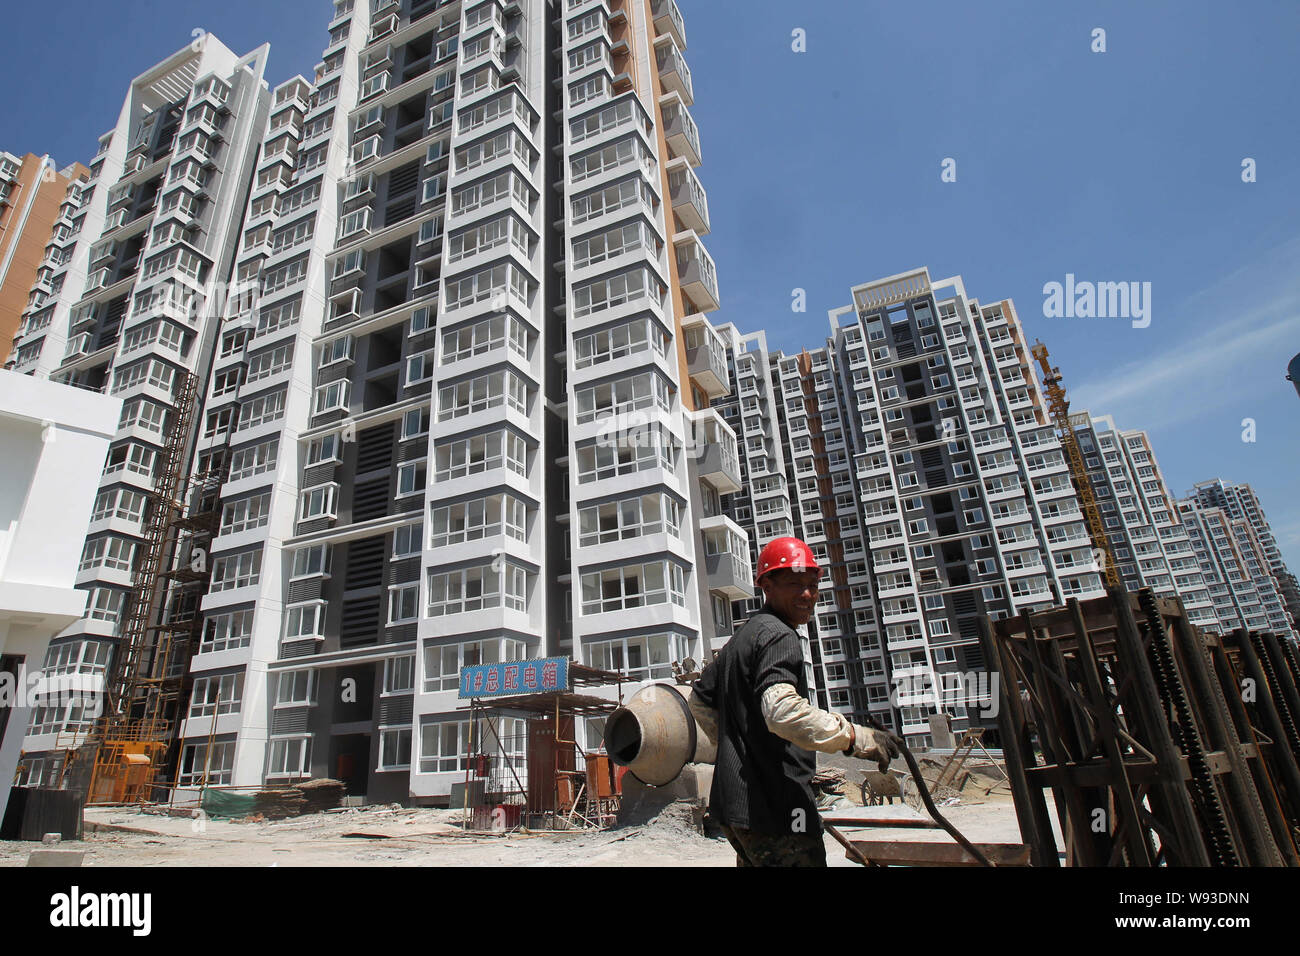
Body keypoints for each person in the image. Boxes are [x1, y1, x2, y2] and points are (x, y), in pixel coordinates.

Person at [689, 536, 900, 867]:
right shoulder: (779, 636)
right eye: (794, 584)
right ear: (767, 586)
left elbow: (699, 702)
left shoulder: (745, 637)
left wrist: (740, 746)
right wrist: (857, 738)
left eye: (812, 585)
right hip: (780, 809)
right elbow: (783, 712)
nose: (807, 595)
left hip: (736, 810)